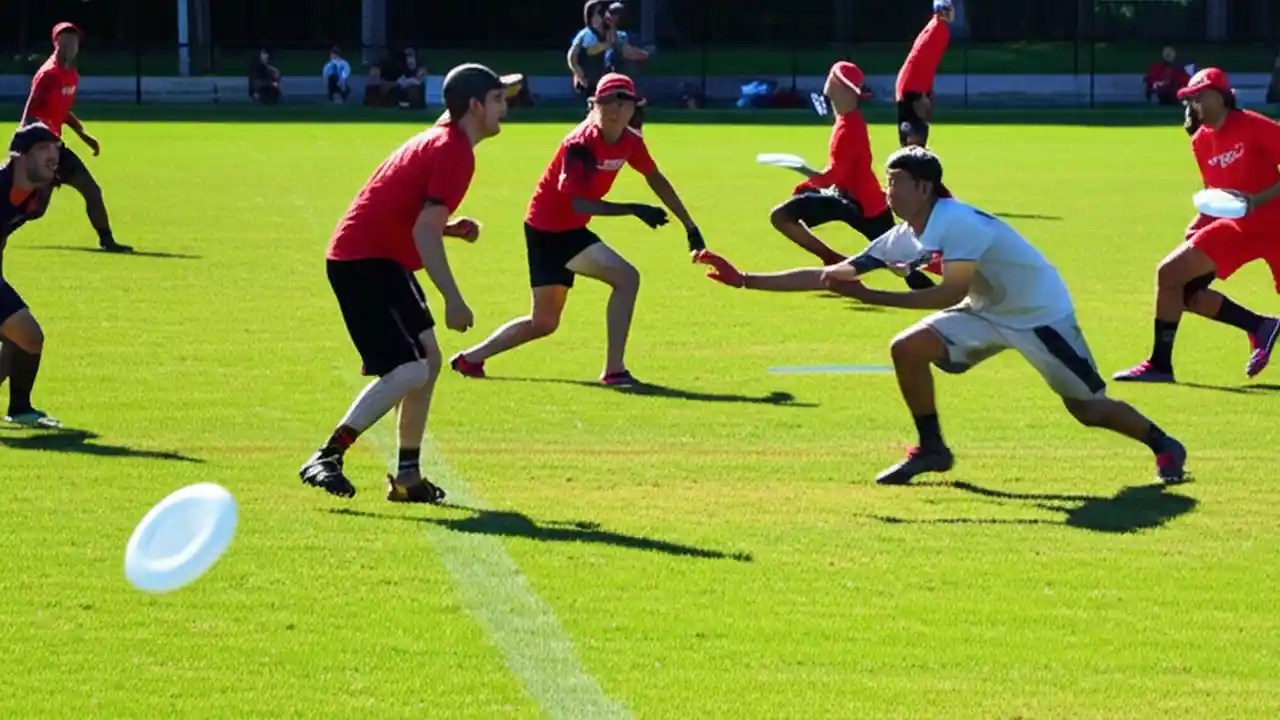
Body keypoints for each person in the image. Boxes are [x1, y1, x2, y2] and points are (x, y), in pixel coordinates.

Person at [693, 146, 1190, 486]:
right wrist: (744, 279)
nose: (888, 192)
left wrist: (874, 300)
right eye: (888, 181)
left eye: (897, 182)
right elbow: (832, 274)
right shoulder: (903, 234)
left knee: (1088, 409)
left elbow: (943, 295)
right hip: (986, 309)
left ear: (926, 187)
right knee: (906, 349)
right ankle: (933, 449)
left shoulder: (957, 221)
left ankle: (1163, 443)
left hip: (1039, 315)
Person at [299, 64, 518, 503]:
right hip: (363, 260)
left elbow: (417, 213)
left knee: (429, 362)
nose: (504, 110)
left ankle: (407, 477)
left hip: (382, 256)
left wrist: (448, 227)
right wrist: (453, 299)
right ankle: (327, 454)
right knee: (411, 368)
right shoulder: (456, 150)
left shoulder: (444, 137)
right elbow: (422, 230)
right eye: (497, 100)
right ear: (474, 106)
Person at [450, 73, 704, 387]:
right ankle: (614, 370)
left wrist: (690, 226)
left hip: (565, 229)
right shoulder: (580, 144)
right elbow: (578, 204)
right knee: (627, 278)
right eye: (609, 101)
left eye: (623, 102)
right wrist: (633, 209)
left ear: (633, 108)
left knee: (543, 322)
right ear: (597, 104)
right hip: (550, 230)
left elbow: (656, 178)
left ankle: (470, 359)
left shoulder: (630, 141)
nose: (615, 109)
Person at [1114, 68, 1280, 384]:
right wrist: (1200, 224)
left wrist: (1258, 200)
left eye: (1200, 96)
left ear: (1222, 96)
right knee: (1173, 279)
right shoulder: (1201, 141)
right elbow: (1218, 195)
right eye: (1190, 99)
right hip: (1238, 228)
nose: (1194, 104)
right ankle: (1161, 365)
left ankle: (1261, 327)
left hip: (1276, 224)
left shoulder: (1252, 125)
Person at [769, 60, 934, 290]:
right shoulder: (846, 121)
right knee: (781, 216)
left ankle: (946, 291)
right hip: (846, 199)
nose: (828, 81)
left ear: (843, 89)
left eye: (832, 78)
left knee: (903, 264)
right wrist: (811, 187)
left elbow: (836, 173)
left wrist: (808, 180)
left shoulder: (849, 127)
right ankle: (833, 260)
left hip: (865, 205)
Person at [20, 22, 130, 253]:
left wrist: (83, 135)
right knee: (36, 209)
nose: (70, 45)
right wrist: (27, 151)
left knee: (92, 190)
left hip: (56, 148)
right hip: (40, 149)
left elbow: (61, 110)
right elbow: (29, 114)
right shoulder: (47, 75)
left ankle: (107, 240)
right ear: (56, 43)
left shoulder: (70, 74)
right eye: (65, 41)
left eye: (74, 41)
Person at [0, 123, 64, 429]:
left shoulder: (37, 196)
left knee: (27, 337)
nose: (53, 156)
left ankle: (21, 409)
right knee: (23, 334)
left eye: (56, 149)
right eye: (43, 149)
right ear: (18, 156)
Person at [895, 1, 954, 147]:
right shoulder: (938, 29)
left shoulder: (937, 27)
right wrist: (922, 93)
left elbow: (926, 63)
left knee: (913, 135)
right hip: (912, 87)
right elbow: (920, 61)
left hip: (910, 86)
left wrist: (927, 90)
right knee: (915, 137)